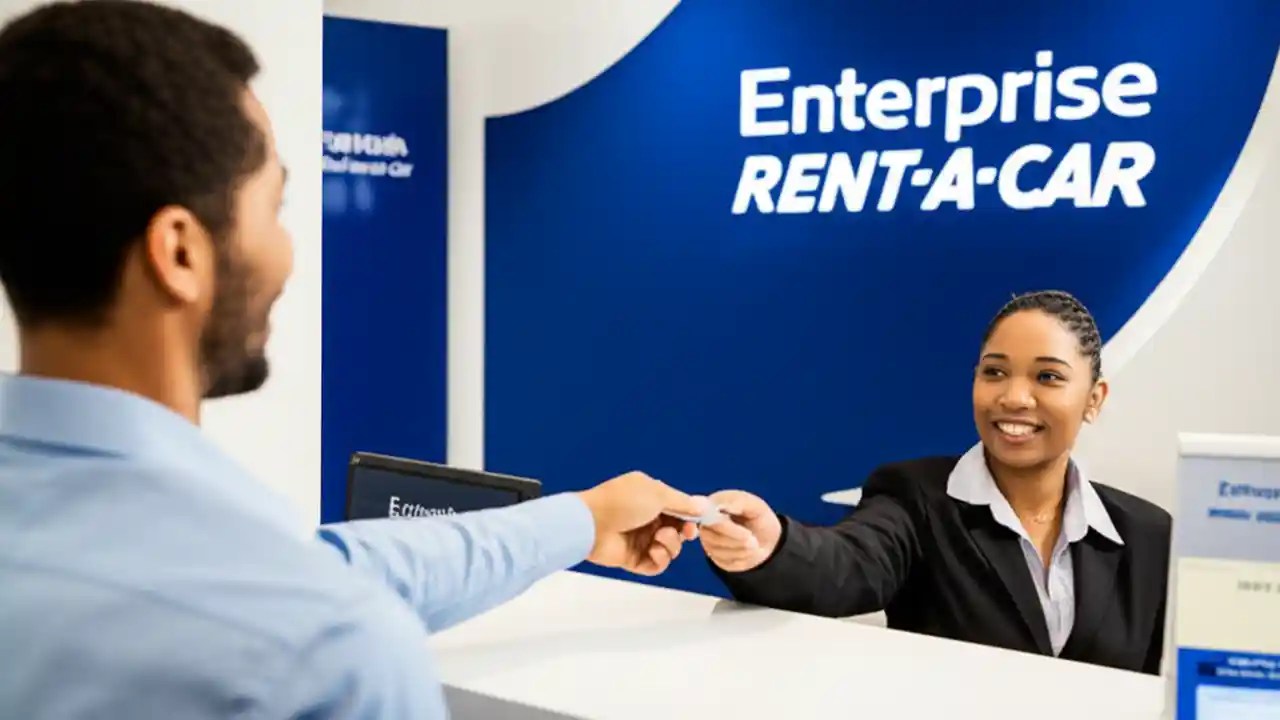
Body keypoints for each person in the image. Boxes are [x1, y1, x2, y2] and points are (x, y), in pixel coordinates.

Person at [0, 2, 704, 717]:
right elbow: (305, 593)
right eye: (275, 208)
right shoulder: (324, 652)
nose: (288, 254)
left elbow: (321, 568)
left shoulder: (254, 588)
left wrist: (581, 519)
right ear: (180, 252)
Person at [700, 290, 1172, 675]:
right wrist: (772, 548)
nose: (1014, 397)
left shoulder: (1150, 535)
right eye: (995, 372)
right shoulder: (915, 497)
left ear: (1094, 399)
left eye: (1048, 376)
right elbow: (846, 566)